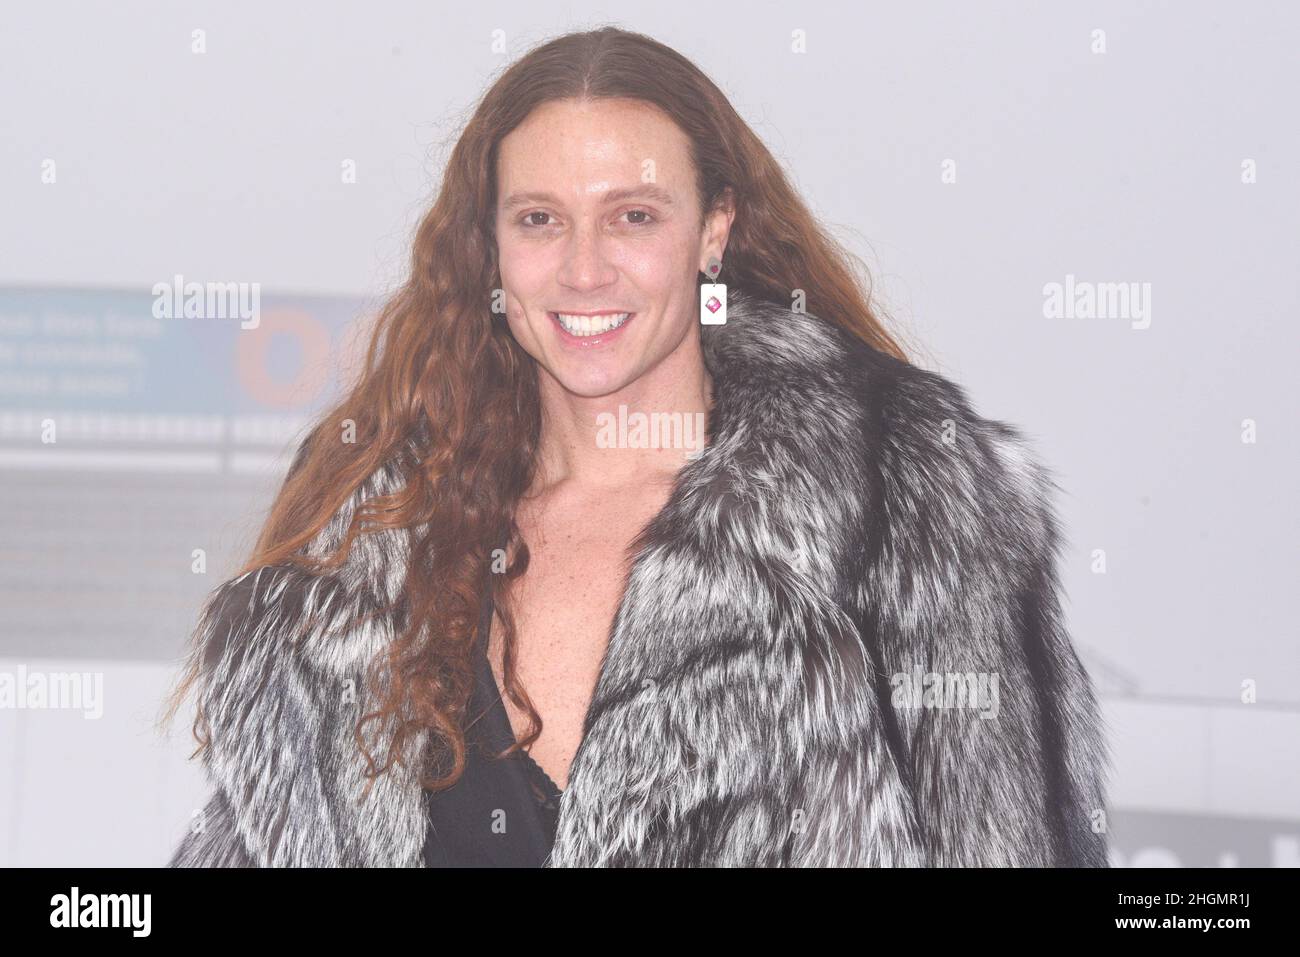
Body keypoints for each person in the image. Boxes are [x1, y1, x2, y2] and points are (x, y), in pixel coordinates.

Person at [161, 26, 1109, 867]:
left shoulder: (903, 503)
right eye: (539, 219)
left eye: (634, 215)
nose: (583, 269)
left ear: (714, 231)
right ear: (489, 247)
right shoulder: (369, 541)